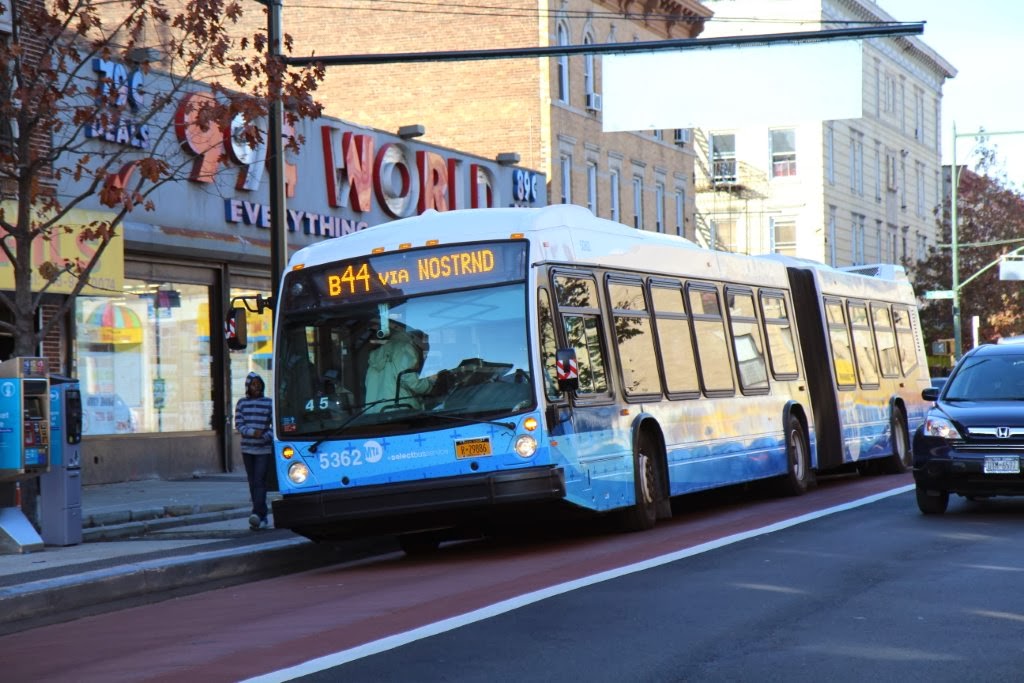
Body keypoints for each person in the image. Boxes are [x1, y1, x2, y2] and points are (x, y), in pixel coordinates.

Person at [235, 371, 274, 530]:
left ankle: (257, 513)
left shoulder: (269, 403)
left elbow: (275, 426)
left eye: (259, 384)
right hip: (248, 449)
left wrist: (265, 436)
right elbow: (239, 424)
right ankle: (262, 516)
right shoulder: (242, 403)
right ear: (248, 387)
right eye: (253, 384)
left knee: (259, 481)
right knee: (253, 482)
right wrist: (252, 433)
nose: (256, 387)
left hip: (263, 450)